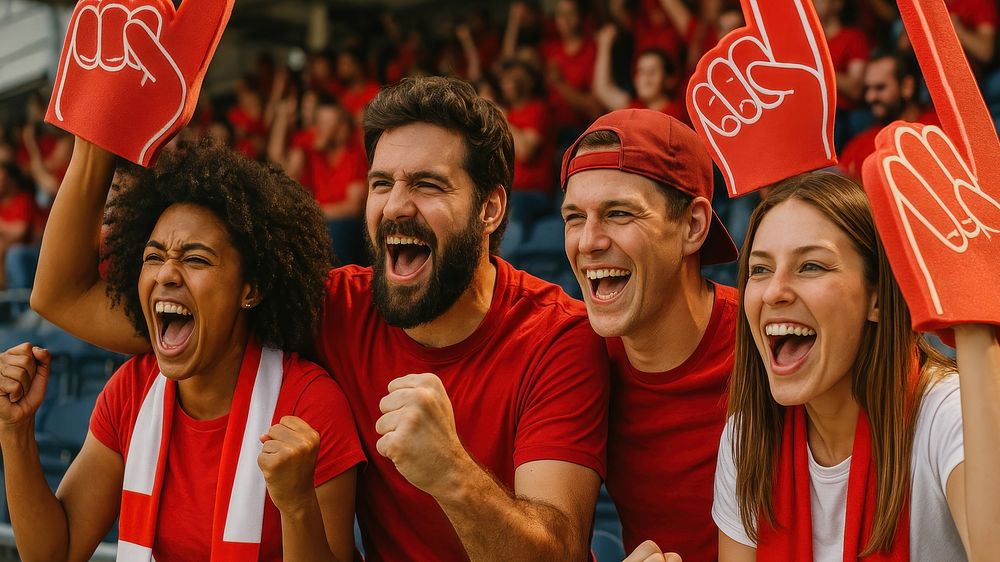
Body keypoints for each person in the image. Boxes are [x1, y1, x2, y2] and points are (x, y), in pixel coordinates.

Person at [30, 76, 610, 561]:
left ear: (490, 208)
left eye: (428, 184)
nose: (397, 204)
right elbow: (63, 297)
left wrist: (451, 472)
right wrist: (98, 128)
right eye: (382, 183)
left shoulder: (557, 337)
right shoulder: (332, 307)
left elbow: (558, 550)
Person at [1, 139, 364, 561]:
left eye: (196, 260)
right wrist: (15, 433)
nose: (167, 273)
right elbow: (53, 554)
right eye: (153, 257)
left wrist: (298, 504)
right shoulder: (131, 390)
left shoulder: (310, 404)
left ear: (252, 289)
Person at [699, 172, 998, 560]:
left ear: (877, 297)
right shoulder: (746, 438)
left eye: (811, 267)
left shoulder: (948, 415)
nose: (774, 291)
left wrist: (974, 322)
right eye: (760, 269)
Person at [560, 108, 739, 562]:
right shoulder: (569, 359)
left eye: (618, 213)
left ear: (693, 226)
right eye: (574, 217)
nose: (588, 242)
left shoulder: (770, 340)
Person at [839, 52, 939, 179]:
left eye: (880, 88)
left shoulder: (936, 128)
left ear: (907, 86)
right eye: (867, 89)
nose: (870, 97)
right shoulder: (859, 145)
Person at [592, 24, 688, 123]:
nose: (645, 78)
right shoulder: (635, 108)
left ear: (669, 80)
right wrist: (605, 44)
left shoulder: (677, 114)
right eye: (641, 71)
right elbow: (603, 89)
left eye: (652, 72)